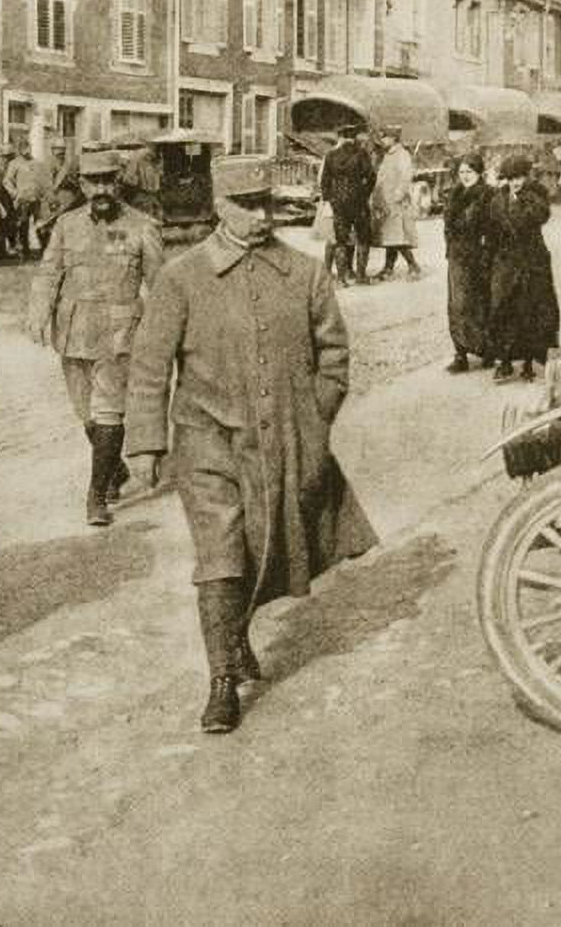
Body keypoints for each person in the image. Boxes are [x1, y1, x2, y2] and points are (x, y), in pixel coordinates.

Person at [124, 156, 378, 734]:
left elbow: (334, 358)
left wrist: (314, 417)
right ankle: (221, 681)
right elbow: (148, 366)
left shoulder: (306, 273)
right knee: (220, 553)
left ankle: (236, 640)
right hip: (205, 442)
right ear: (219, 206)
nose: (260, 215)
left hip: (284, 441)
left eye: (266, 203)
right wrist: (144, 442)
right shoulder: (181, 278)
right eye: (245, 205)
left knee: (266, 544)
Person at [26, 149, 164, 527]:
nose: (101, 189)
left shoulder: (143, 227)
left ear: (118, 183)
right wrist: (38, 311)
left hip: (119, 336)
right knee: (85, 414)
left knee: (108, 412)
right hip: (72, 333)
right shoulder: (66, 225)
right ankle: (113, 469)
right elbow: (48, 272)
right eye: (93, 181)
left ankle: (96, 495)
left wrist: (162, 334)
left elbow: (161, 288)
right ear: (82, 184)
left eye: (108, 181)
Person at [486, 154, 561, 383]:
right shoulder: (498, 199)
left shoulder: (535, 196)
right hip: (506, 262)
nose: (515, 182)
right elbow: (492, 231)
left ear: (526, 176)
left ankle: (529, 362)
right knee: (502, 309)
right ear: (504, 179)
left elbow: (539, 217)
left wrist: (520, 200)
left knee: (530, 311)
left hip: (532, 261)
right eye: (510, 178)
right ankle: (505, 362)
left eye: (518, 177)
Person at [443, 152, 495, 373]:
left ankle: (487, 350)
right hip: (457, 257)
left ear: (479, 172)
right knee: (457, 306)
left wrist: (486, 251)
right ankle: (461, 354)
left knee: (480, 304)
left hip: (479, 257)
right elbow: (449, 226)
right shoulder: (455, 194)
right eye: (462, 172)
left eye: (469, 172)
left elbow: (493, 228)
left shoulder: (488, 195)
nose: (465, 176)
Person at [318, 123, 376, 286]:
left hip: (339, 204)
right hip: (358, 202)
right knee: (363, 238)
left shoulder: (331, 155)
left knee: (340, 240)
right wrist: (364, 194)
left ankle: (341, 279)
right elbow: (371, 177)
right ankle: (360, 276)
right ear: (355, 137)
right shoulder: (361, 153)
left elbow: (324, 182)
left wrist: (331, 199)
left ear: (340, 136)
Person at [370, 125, 422, 280]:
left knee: (398, 237)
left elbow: (406, 177)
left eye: (385, 137)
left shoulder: (402, 155)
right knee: (390, 237)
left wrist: (397, 196)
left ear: (393, 138)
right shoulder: (388, 155)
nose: (383, 140)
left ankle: (413, 266)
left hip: (396, 204)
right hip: (386, 202)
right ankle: (388, 268)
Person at [3, 141, 54, 261]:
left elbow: (45, 182)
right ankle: (25, 252)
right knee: (22, 226)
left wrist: (48, 196)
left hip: (37, 199)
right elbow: (6, 181)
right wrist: (15, 193)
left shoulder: (38, 164)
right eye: (22, 148)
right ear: (19, 150)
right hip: (22, 200)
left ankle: (44, 250)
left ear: (30, 148)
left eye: (27, 148)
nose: (26, 151)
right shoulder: (14, 164)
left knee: (42, 225)